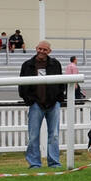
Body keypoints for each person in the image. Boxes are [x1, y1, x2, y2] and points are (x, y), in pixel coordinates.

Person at [19, 40, 65, 168]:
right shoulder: (27, 65)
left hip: (53, 103)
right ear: (36, 48)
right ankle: (34, 164)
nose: (42, 51)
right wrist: (29, 100)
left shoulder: (55, 64)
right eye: (40, 48)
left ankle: (54, 163)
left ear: (49, 51)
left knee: (54, 135)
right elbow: (22, 84)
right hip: (35, 104)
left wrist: (58, 99)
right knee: (33, 135)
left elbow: (62, 82)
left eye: (45, 49)